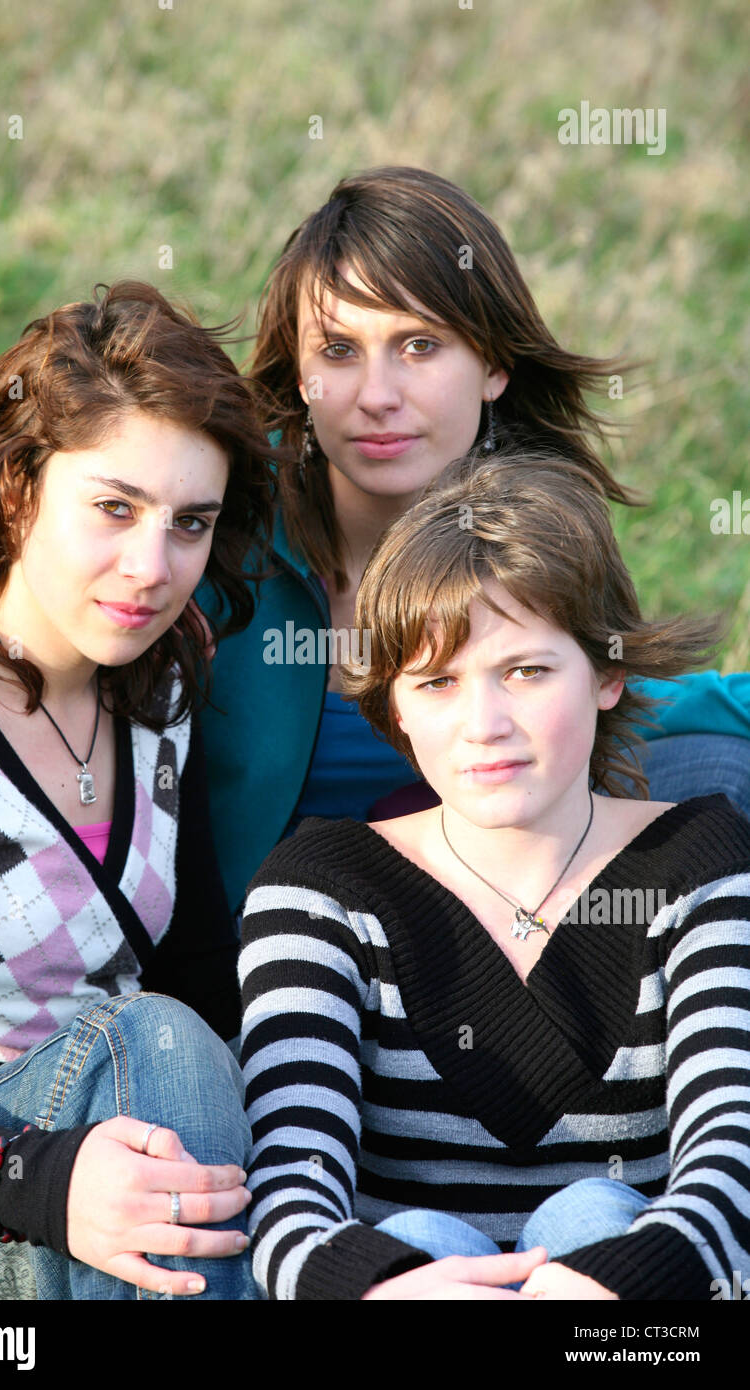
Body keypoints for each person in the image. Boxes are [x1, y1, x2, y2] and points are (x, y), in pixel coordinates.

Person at [237, 451, 750, 1301]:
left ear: (609, 673)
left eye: (526, 671)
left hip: (634, 1330)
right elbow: (289, 1191)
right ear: (394, 705)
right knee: (416, 1238)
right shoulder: (323, 888)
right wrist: (383, 1286)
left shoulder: (700, 867)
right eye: (437, 682)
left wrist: (610, 1286)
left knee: (591, 1217)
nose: (484, 725)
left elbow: (733, 1162)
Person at [198, 166, 750, 919]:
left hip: (489, 946)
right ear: (298, 373)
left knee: (719, 769)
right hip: (268, 959)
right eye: (338, 351)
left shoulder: (534, 521)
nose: (377, 395)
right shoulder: (215, 521)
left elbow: (597, 682)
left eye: (419, 346)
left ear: (493, 365)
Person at [0, 281, 274, 1300]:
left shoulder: (165, 684)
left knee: (186, 1047)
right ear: (18, 488)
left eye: (189, 523)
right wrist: (45, 1186)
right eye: (114, 507)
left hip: (124, 1167)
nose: (151, 566)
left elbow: (194, 966)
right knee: (154, 1037)